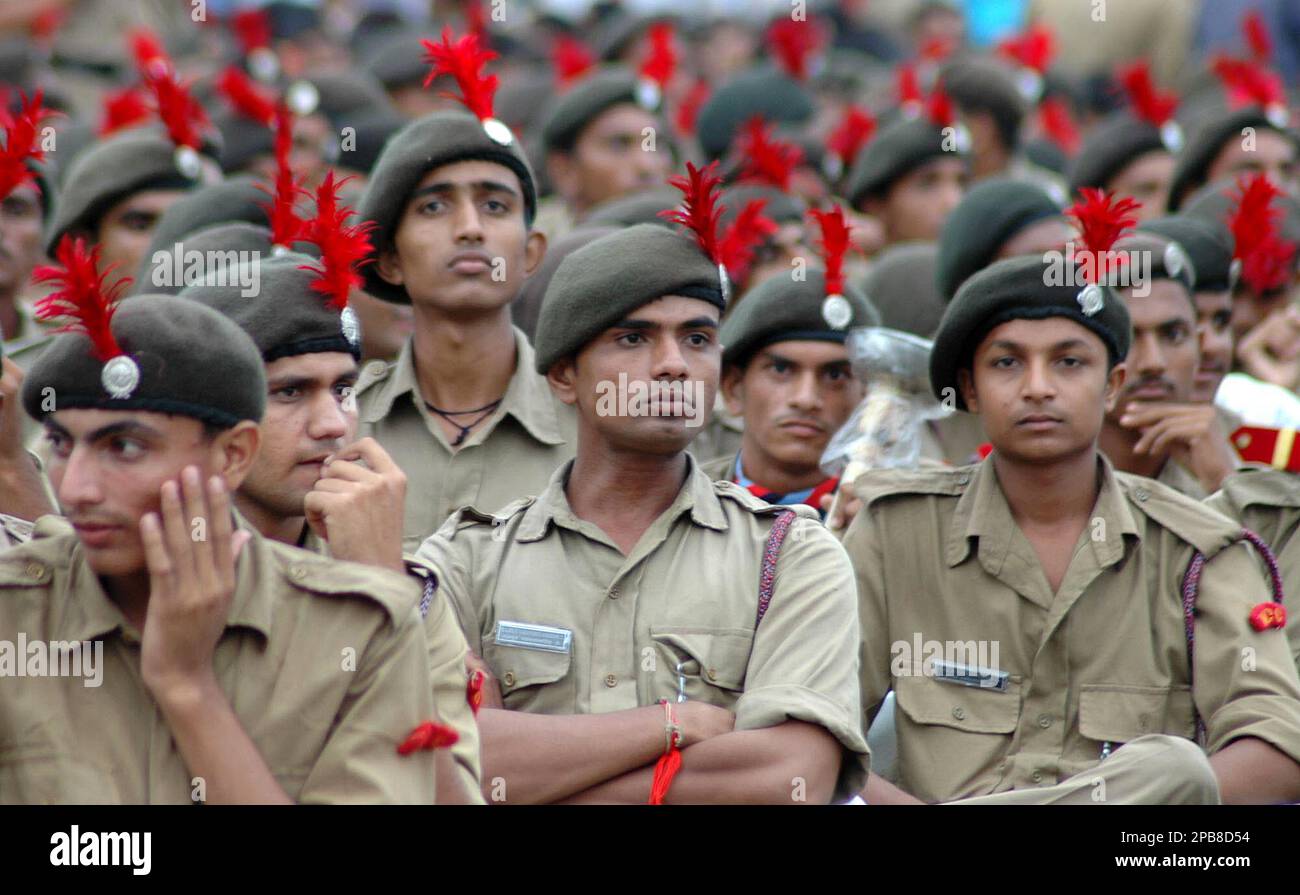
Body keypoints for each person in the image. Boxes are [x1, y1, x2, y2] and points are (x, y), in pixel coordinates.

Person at [414, 208, 869, 805]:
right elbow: (435, 763)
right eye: (633, 338)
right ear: (563, 376)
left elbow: (789, 780)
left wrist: (533, 777)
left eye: (698, 338)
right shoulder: (466, 559)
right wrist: (673, 724)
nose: (674, 364)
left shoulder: (791, 556)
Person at [845, 252, 1300, 804]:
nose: (1038, 387)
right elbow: (820, 728)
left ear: (1113, 385)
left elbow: (1277, 742)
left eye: (1068, 363)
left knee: (1173, 769)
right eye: (1007, 364)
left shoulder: (1197, 551)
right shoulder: (897, 534)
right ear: (969, 388)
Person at [1, 284, 438, 803]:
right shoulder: (15, 614)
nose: (74, 489)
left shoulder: (361, 632)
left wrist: (187, 688)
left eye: (124, 446)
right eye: (60, 444)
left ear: (233, 455)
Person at [179, 244, 483, 805]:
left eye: (344, 390)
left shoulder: (403, 588)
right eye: (290, 392)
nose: (331, 425)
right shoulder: (132, 575)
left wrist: (376, 590)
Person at [353, 35, 576, 551]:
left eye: (495, 206)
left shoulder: (593, 426)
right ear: (389, 259)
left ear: (531, 253)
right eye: (434, 207)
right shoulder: (342, 424)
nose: (470, 228)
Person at [701, 209, 880, 522]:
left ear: (865, 397)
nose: (806, 399)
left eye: (835, 375)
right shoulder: (681, 502)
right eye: (781, 370)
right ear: (732, 389)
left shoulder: (890, 514)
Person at [1096, 232, 1238, 498]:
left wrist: (1226, 487)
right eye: (1126, 338)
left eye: (1173, 335)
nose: (1154, 363)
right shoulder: (1024, 471)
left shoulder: (1253, 459)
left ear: (1198, 344)